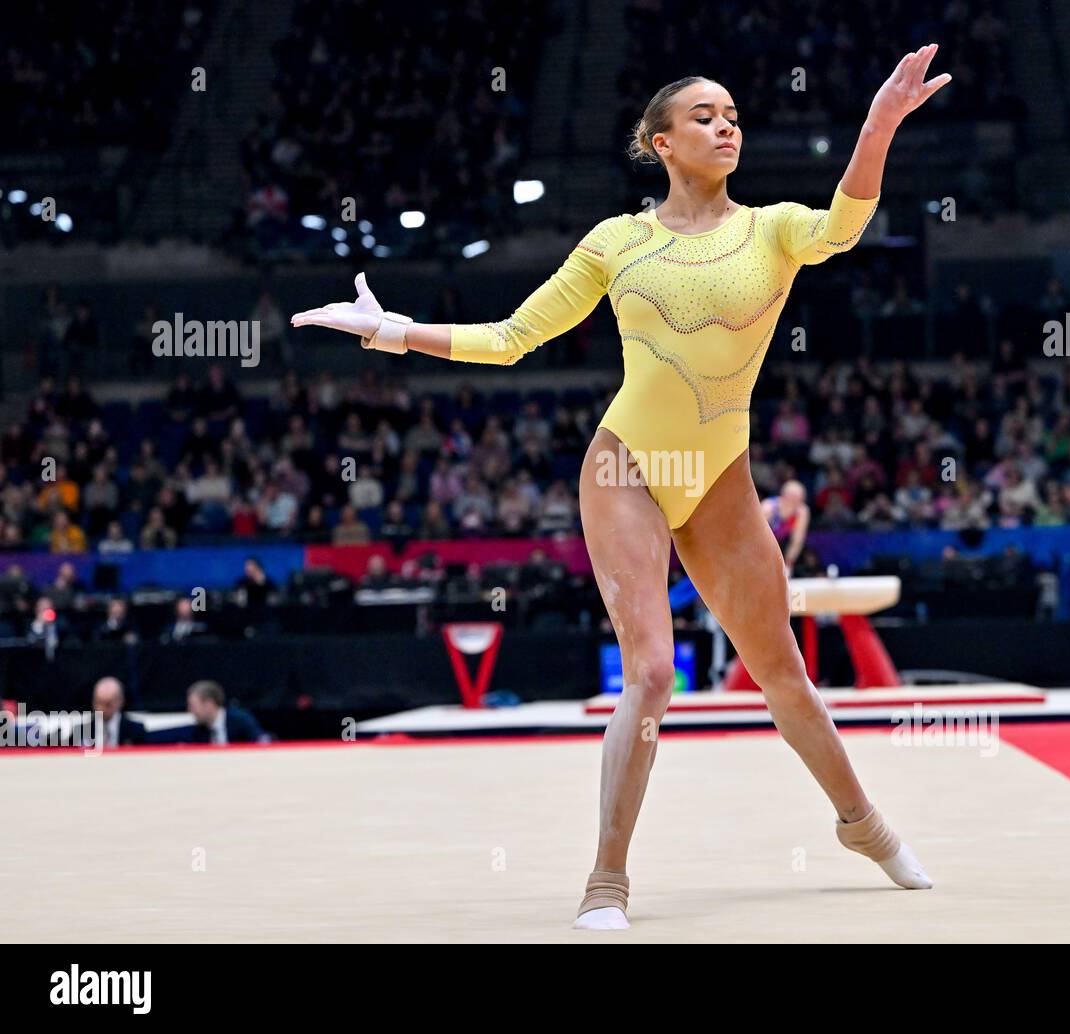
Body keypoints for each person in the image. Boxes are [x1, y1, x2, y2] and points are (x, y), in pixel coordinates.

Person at [291, 47, 950, 929]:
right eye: (706, 116)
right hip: (627, 467)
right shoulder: (616, 242)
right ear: (661, 143)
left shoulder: (776, 228)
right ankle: (607, 879)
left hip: (717, 474)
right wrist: (393, 331)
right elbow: (512, 338)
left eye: (734, 116)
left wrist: (878, 127)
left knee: (783, 675)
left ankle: (862, 825)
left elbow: (844, 225)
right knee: (651, 671)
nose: (727, 126)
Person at [186, 680, 268, 745]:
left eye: (193, 706)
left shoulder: (240, 720)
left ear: (209, 704)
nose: (190, 710)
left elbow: (262, 742)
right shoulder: (199, 731)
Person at [91, 676, 148, 749]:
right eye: (99, 702)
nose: (103, 708)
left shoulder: (135, 731)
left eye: (108, 704)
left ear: (120, 701)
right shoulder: (81, 730)